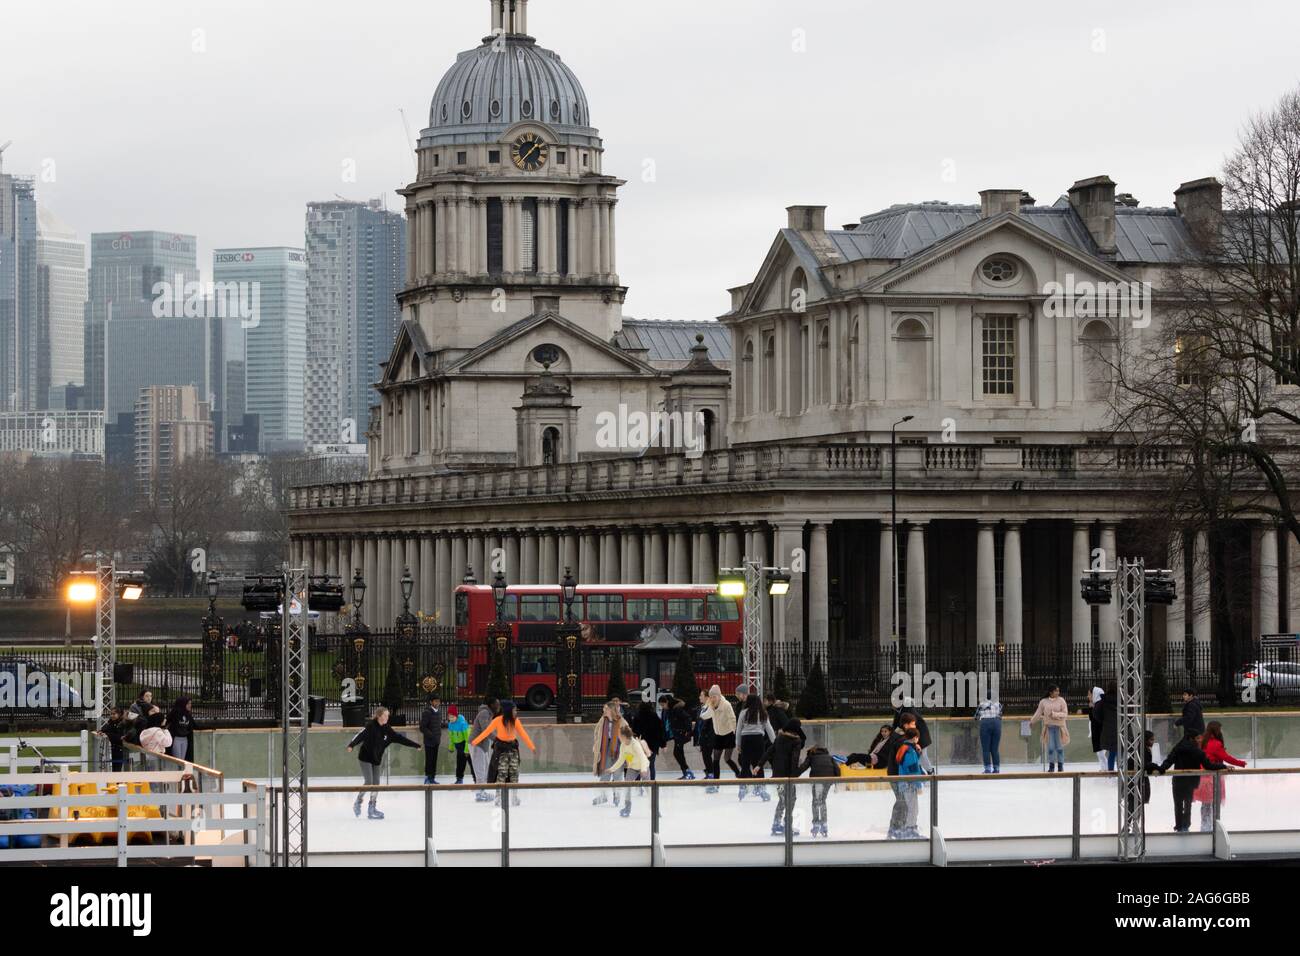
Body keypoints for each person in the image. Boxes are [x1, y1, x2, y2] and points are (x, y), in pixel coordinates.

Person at [347, 706, 420, 819]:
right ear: (379, 716)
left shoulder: (387, 729)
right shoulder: (371, 726)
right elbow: (360, 735)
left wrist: (415, 745)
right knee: (369, 782)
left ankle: (372, 807)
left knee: (376, 784)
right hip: (365, 757)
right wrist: (351, 745)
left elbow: (400, 738)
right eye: (385, 715)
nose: (387, 717)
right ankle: (358, 801)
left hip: (376, 759)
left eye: (388, 715)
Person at [1157, 730, 1225, 832]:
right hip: (1190, 782)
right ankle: (1185, 825)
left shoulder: (1178, 749)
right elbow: (1209, 765)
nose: (1200, 740)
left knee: (1178, 804)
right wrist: (1222, 766)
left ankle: (1179, 826)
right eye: (1198, 738)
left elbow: (1169, 761)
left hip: (1178, 781)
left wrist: (1161, 769)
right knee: (1187, 804)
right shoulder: (1197, 751)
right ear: (1191, 739)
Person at [470, 701, 536, 806]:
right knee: (501, 773)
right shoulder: (497, 720)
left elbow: (523, 734)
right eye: (514, 710)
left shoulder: (516, 721)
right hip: (501, 750)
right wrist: (475, 741)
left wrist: (531, 746)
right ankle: (498, 797)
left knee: (514, 772)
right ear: (508, 710)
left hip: (513, 749)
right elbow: (486, 732)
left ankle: (514, 797)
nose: (516, 712)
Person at [1193, 721, 1246, 832]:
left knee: (1205, 804)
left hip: (1201, 777)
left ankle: (1205, 827)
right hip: (1212, 778)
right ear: (1216, 730)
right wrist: (1240, 763)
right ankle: (1212, 828)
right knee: (1212, 805)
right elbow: (1226, 757)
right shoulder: (1215, 744)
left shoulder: (1202, 741)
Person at [764, 718, 804, 837]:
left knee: (782, 800)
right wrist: (794, 776)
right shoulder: (796, 741)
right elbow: (794, 760)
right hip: (788, 776)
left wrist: (759, 764)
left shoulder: (779, 738)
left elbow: (769, 751)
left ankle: (776, 823)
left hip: (778, 775)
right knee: (791, 799)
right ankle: (786, 825)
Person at [735, 695, 775, 801]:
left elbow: (738, 729)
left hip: (746, 740)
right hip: (758, 740)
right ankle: (760, 788)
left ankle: (742, 788)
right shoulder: (762, 713)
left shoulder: (743, 712)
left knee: (745, 764)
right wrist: (775, 743)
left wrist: (738, 744)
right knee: (758, 765)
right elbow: (769, 729)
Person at [797, 737, 838, 838]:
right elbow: (837, 769)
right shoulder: (829, 756)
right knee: (822, 801)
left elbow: (803, 767)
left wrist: (794, 774)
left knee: (816, 801)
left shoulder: (812, 756)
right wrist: (835, 781)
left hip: (817, 780)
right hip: (828, 780)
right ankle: (824, 823)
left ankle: (816, 823)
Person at [592, 701, 631, 806]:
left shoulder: (621, 721)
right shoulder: (602, 720)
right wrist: (596, 745)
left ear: (611, 710)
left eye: (605, 709)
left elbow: (628, 735)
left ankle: (617, 796)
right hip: (605, 749)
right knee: (605, 772)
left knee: (618, 774)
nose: (603, 710)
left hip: (619, 749)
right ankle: (603, 796)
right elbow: (597, 733)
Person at [608, 724, 651, 818]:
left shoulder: (635, 744)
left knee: (648, 788)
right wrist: (612, 769)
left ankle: (655, 808)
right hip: (632, 768)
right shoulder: (623, 745)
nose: (618, 736)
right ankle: (627, 808)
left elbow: (643, 758)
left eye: (619, 735)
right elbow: (621, 760)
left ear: (623, 736)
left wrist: (643, 770)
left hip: (643, 766)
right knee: (627, 786)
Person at [704, 684, 740, 793]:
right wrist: (702, 713)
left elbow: (732, 719)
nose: (712, 699)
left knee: (727, 759)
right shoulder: (711, 704)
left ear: (719, 696)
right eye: (711, 697)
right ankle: (716, 784)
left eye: (714, 696)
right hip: (718, 735)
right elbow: (707, 715)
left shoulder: (726, 705)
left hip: (729, 734)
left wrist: (734, 732)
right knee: (715, 759)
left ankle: (739, 775)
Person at [893, 728, 926, 840]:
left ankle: (909, 828)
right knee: (913, 808)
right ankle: (909, 830)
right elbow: (912, 770)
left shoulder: (906, 748)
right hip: (909, 784)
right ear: (915, 738)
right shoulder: (909, 751)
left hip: (905, 783)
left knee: (911, 807)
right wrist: (918, 785)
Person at [1030, 684, 1070, 771]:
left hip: (1059, 728)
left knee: (1059, 748)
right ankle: (1051, 766)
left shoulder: (1061, 700)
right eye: (1056, 691)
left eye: (1058, 691)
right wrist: (1032, 721)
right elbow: (1038, 712)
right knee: (1051, 748)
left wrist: (1055, 714)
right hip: (1049, 728)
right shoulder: (1043, 702)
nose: (1058, 692)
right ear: (1051, 692)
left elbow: (1065, 714)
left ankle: (1060, 766)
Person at [891, 698, 933, 772]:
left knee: (922, 755)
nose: (892, 705)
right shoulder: (901, 710)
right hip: (915, 735)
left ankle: (929, 771)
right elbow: (898, 724)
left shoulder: (907, 710)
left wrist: (897, 732)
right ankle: (922, 771)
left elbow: (904, 725)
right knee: (918, 755)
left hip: (920, 736)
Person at [469, 697, 499, 802]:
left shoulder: (489, 714)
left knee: (485, 769)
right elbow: (485, 729)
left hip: (483, 745)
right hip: (477, 744)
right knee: (480, 770)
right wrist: (497, 739)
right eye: (496, 704)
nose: (498, 706)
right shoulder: (484, 713)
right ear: (491, 704)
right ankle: (479, 794)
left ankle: (482, 791)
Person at [631, 699, 666, 781]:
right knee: (651, 765)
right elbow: (660, 731)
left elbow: (634, 730)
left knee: (639, 765)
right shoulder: (654, 716)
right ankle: (652, 784)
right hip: (652, 745)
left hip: (640, 744)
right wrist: (663, 744)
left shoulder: (637, 716)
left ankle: (637, 784)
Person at [665, 696, 695, 779]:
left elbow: (687, 718)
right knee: (679, 753)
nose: (663, 707)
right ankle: (686, 772)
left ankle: (688, 772)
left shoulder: (677, 709)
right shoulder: (671, 710)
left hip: (681, 734)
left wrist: (687, 730)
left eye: (663, 704)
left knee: (677, 753)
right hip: (677, 734)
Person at [418, 695, 443, 784]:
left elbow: (439, 724)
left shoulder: (439, 712)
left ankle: (432, 778)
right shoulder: (427, 712)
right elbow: (422, 727)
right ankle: (427, 778)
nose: (437, 703)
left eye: (438, 701)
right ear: (431, 702)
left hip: (437, 741)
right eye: (435, 701)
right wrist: (431, 735)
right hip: (429, 741)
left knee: (434, 760)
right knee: (429, 760)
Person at [975, 694, 1003, 773]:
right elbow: (1000, 715)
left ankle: (987, 768)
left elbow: (976, 717)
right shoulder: (998, 704)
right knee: (995, 748)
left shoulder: (981, 704)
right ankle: (996, 768)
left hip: (985, 724)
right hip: (996, 724)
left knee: (986, 749)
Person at [445, 705, 473, 784]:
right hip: (459, 747)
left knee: (471, 764)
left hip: (465, 745)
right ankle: (459, 780)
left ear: (456, 716)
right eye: (449, 717)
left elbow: (468, 738)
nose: (451, 719)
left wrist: (467, 750)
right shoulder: (450, 724)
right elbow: (451, 737)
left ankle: (477, 781)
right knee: (460, 763)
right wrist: (451, 748)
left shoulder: (462, 724)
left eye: (452, 717)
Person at [165, 696, 195, 763]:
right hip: (176, 739)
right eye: (188, 704)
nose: (190, 705)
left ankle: (181, 772)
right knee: (178, 760)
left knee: (183, 760)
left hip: (185, 739)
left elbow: (194, 725)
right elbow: (166, 722)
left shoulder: (188, 715)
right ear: (183, 704)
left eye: (190, 703)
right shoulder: (175, 712)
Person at [695, 689, 716, 782]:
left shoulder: (710, 707)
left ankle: (711, 774)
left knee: (707, 756)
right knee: (705, 756)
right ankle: (709, 773)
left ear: (707, 697)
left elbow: (708, 723)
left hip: (709, 737)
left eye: (701, 695)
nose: (699, 697)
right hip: (703, 737)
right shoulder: (702, 707)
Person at [1098, 683, 1119, 772]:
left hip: (1109, 729)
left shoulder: (1103, 701)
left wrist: (1104, 721)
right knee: (1120, 753)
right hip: (1120, 729)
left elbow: (1097, 713)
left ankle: (1111, 773)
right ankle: (1122, 772)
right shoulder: (1122, 699)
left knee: (1112, 752)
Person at [1088, 686, 1107, 770]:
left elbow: (1095, 719)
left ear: (1094, 694)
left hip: (1101, 733)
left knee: (1101, 753)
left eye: (1089, 694)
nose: (1088, 696)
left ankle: (1106, 769)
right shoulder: (1097, 704)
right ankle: (1104, 768)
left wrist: (1092, 708)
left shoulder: (1100, 705)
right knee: (1100, 753)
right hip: (1098, 733)